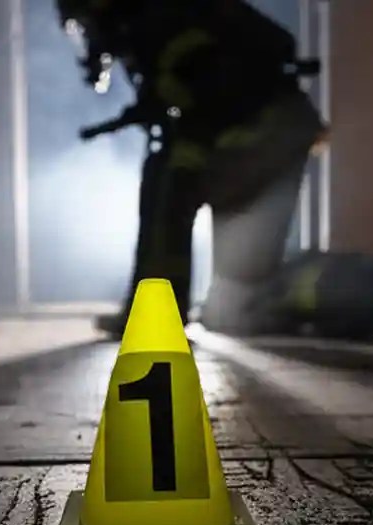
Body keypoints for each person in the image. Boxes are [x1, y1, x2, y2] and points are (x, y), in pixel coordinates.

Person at [58, 0, 329, 336]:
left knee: (168, 182)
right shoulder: (172, 16)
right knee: (234, 309)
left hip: (261, 135)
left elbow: (200, 100)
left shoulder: (156, 23)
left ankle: (157, 312)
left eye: (83, 24)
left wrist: (166, 107)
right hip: (283, 134)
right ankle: (324, 293)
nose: (87, 36)